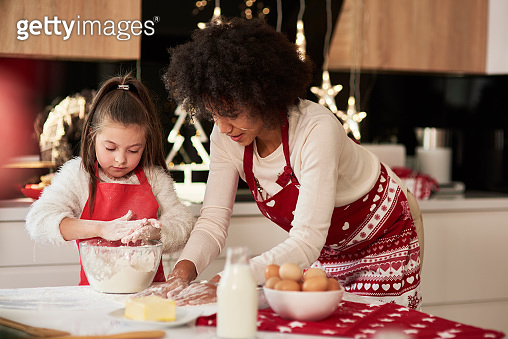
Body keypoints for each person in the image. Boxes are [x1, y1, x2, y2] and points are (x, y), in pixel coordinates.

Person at [139, 17, 424, 310]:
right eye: (213, 115)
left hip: (384, 234)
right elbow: (212, 221)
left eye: (232, 112)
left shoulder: (315, 129)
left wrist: (231, 279)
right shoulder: (226, 137)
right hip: (325, 247)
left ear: (263, 95)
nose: (223, 127)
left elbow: (306, 238)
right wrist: (182, 272)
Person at [26, 74, 195, 285]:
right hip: (95, 292)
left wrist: (156, 233)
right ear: (91, 136)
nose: (121, 159)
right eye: (110, 148)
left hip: (148, 291)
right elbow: (38, 220)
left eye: (134, 150)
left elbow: (183, 223)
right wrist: (101, 229)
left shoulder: (154, 178)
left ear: (145, 142)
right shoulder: (79, 175)